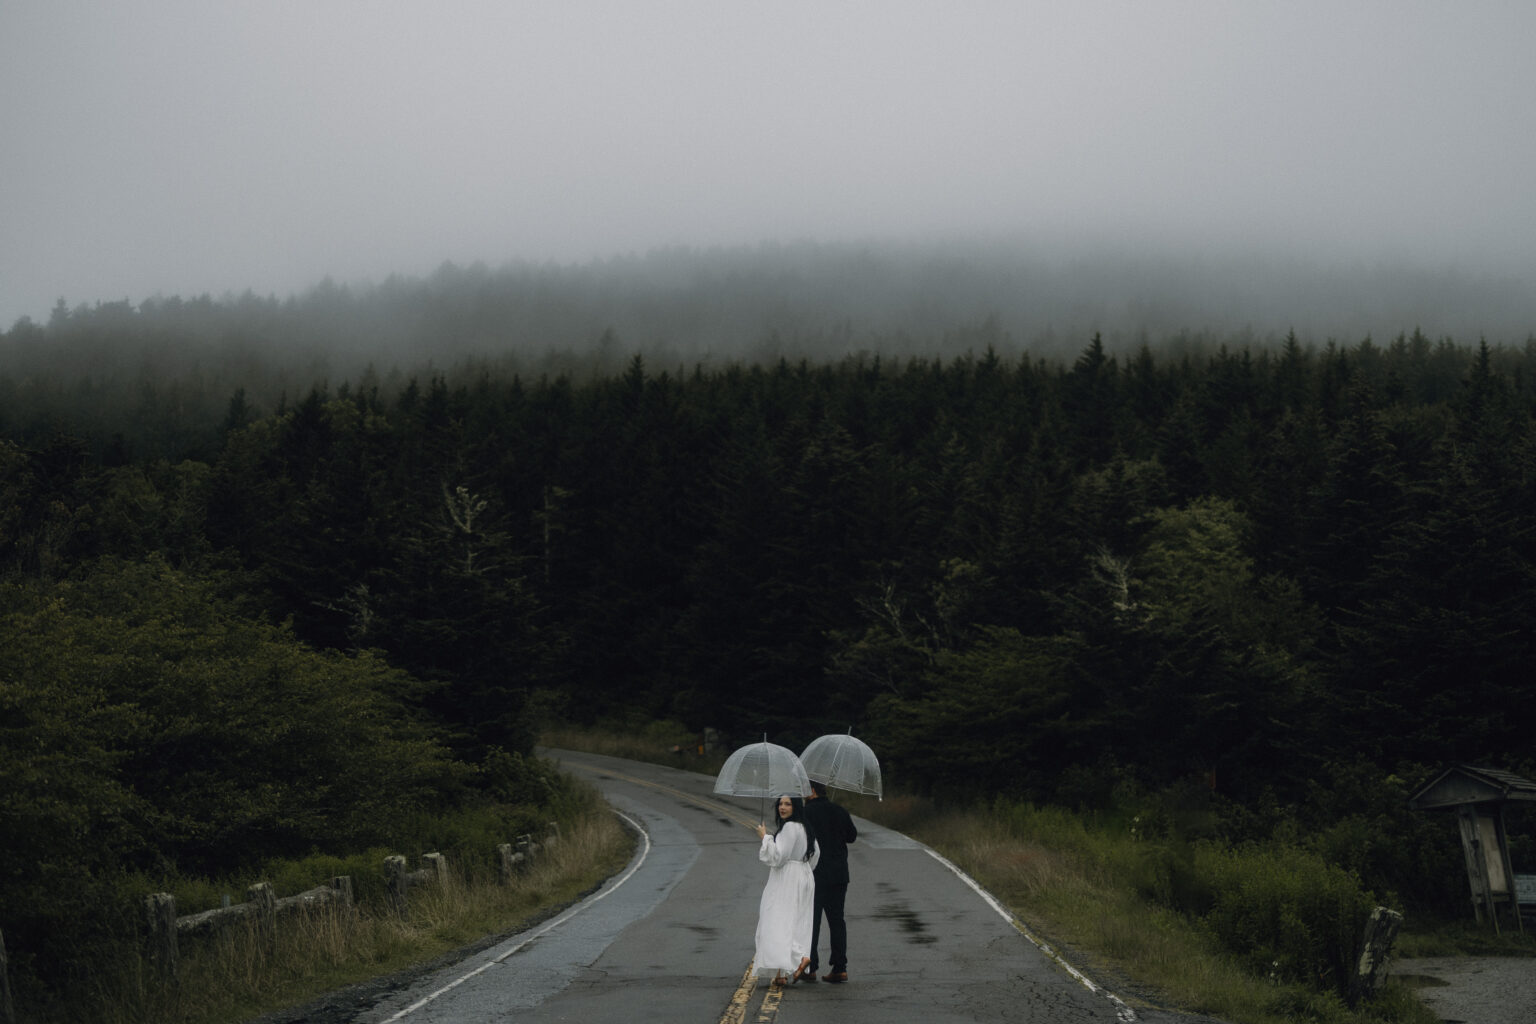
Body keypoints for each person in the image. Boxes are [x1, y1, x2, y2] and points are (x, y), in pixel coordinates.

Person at [753, 794, 819, 986]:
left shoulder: (790, 827)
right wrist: (803, 870)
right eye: (780, 804)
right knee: (792, 921)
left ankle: (799, 959)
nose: (782, 807)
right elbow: (816, 854)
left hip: (787, 878)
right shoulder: (805, 826)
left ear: (795, 807)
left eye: (788, 804)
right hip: (803, 874)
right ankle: (780, 973)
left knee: (776, 920)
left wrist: (765, 838)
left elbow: (779, 858)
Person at [800, 779, 857, 983]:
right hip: (839, 874)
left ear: (812, 791)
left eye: (804, 791)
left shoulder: (806, 813)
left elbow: (801, 842)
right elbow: (852, 836)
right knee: (837, 921)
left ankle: (811, 967)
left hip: (815, 874)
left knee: (812, 922)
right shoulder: (839, 810)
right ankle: (840, 967)